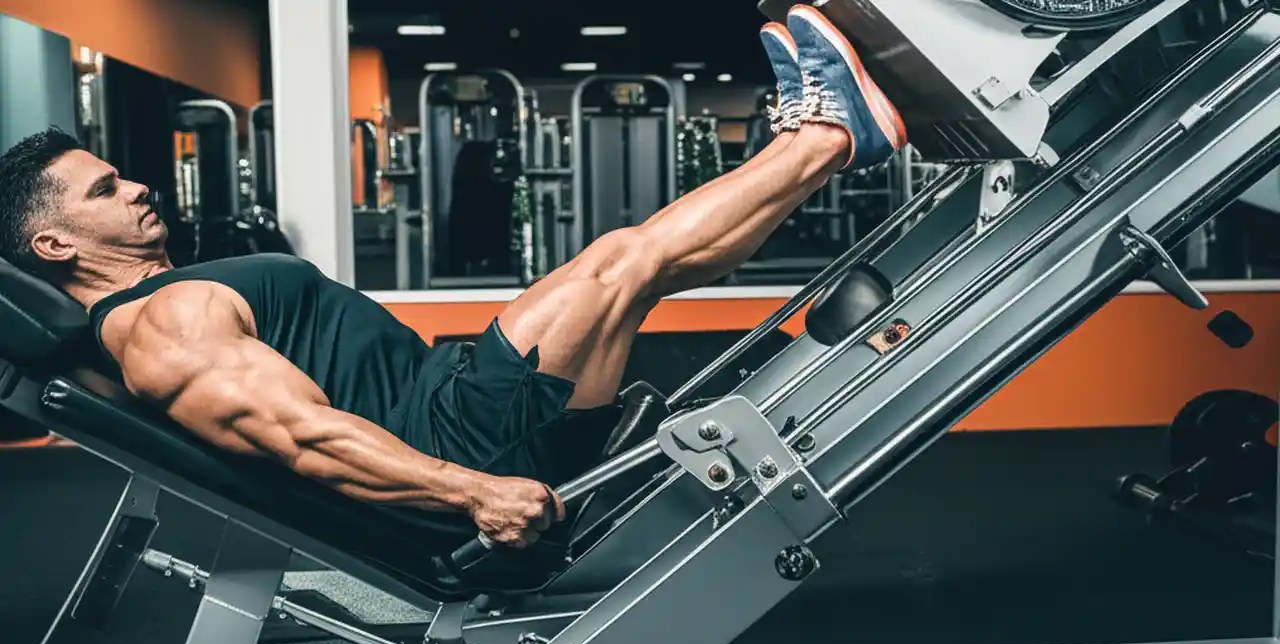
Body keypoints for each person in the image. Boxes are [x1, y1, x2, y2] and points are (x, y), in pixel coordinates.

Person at [0, 6, 904, 551]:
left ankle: (822, 142)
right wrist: (474, 492)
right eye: (105, 190)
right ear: (54, 246)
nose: (138, 188)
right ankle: (827, 135)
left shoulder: (166, 302)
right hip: (466, 439)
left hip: (460, 401)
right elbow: (302, 441)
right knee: (625, 259)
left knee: (634, 268)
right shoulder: (161, 326)